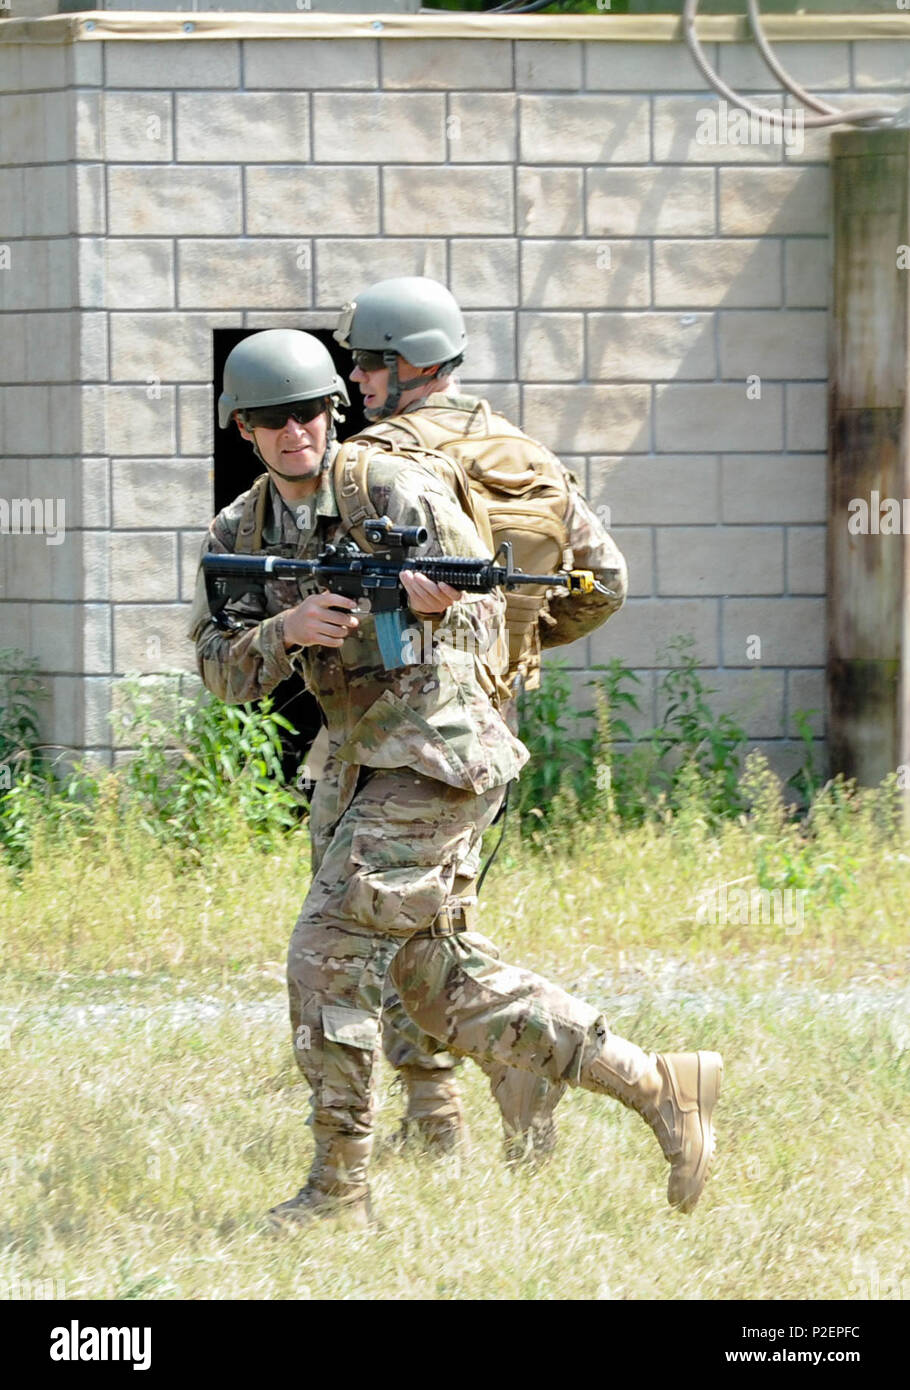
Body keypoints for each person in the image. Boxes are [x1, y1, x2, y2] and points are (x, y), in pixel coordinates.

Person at [189, 328, 723, 1230]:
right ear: (244, 429)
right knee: (431, 973)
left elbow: (486, 618)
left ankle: (338, 1192)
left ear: (336, 410)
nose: (297, 433)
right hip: (359, 764)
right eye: (274, 420)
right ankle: (657, 1085)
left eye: (313, 411)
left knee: (325, 956)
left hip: (439, 754)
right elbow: (219, 669)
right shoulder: (240, 530)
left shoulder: (393, 487)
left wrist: (432, 610)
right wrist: (286, 633)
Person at [334, 277, 629, 1164]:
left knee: (388, 918)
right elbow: (602, 581)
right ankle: (483, 1090)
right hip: (485, 720)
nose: (354, 377)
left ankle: (443, 1109)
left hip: (398, 722)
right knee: (434, 915)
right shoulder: (524, 452)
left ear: (412, 364)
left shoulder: (379, 460)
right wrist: (512, 647)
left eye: (368, 362)